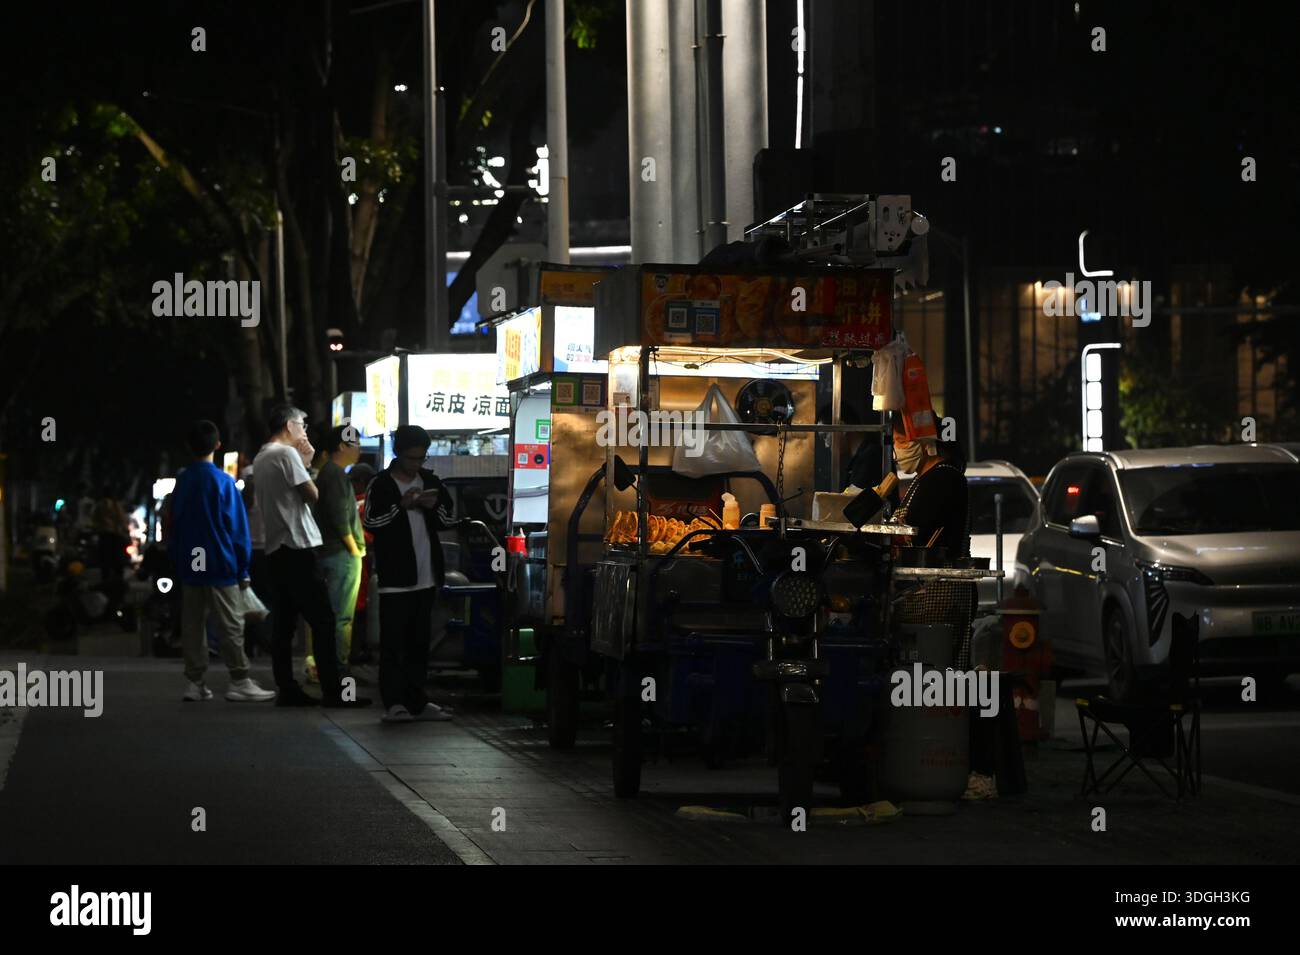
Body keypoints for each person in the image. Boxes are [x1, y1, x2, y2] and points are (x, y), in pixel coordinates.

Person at [253, 404, 371, 709]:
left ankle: (288, 688)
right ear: (290, 426)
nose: (305, 433)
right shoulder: (286, 454)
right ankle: (333, 690)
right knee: (323, 620)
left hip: (277, 549)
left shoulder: (262, 456)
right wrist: (307, 463)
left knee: (286, 623)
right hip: (299, 547)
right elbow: (312, 495)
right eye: (302, 426)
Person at [167, 420, 276, 703]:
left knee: (192, 626)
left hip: (192, 564)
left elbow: (173, 526)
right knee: (231, 625)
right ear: (217, 445)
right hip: (220, 563)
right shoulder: (223, 482)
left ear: (188, 447)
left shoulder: (182, 481)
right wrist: (243, 568)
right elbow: (237, 530)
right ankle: (239, 679)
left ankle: (195, 682)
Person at [363, 426, 454, 723]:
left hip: (427, 574)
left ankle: (417, 700)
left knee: (419, 642)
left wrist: (432, 504)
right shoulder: (381, 484)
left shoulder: (430, 481)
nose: (417, 464)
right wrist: (401, 507)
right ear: (398, 453)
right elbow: (372, 520)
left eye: (421, 458)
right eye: (411, 458)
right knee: (393, 644)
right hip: (395, 578)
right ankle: (394, 703)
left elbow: (448, 518)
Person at [314, 426, 366, 678]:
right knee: (341, 616)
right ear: (343, 446)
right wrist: (355, 550)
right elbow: (339, 517)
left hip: (334, 553)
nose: (359, 450)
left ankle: (331, 667)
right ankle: (338, 669)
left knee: (335, 614)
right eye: (355, 444)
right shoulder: (334, 475)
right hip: (341, 555)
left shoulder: (330, 473)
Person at [348, 462, 378, 667]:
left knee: (357, 606)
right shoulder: (365, 503)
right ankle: (357, 650)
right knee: (360, 607)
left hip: (357, 559)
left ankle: (356, 649)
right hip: (363, 558)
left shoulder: (357, 503)